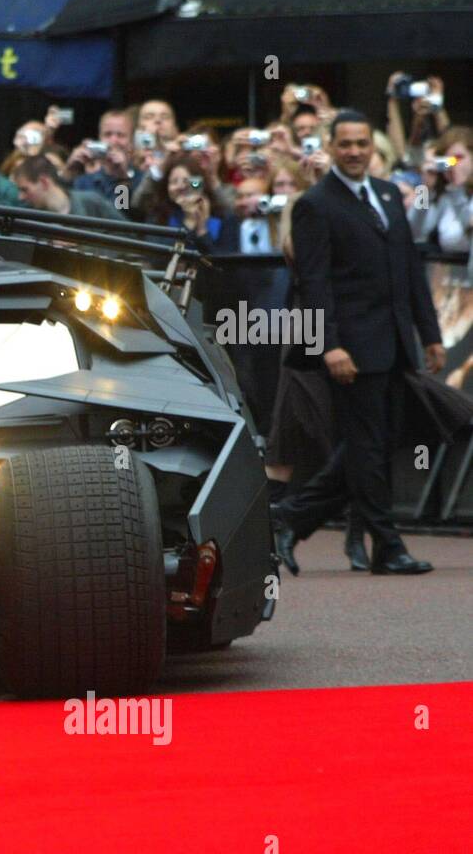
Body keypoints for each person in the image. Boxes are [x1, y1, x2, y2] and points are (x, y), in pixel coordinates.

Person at [272, 111, 446, 576]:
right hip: (350, 348)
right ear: (330, 148)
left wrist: (430, 334)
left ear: (372, 147)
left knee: (373, 444)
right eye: (344, 144)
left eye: (361, 143)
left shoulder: (389, 194)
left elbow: (409, 266)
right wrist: (329, 345)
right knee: (367, 447)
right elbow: (314, 283)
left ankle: (290, 517)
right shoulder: (316, 203)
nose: (353, 152)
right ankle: (388, 547)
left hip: (395, 342)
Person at [141, 153, 238, 253]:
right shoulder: (158, 216)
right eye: (174, 182)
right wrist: (188, 223)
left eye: (187, 181)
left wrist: (202, 231)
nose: (181, 187)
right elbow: (156, 258)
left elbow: (224, 264)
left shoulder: (224, 217)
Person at [12, 154, 120, 219]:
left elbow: (128, 237)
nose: (20, 197)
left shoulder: (91, 201)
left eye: (24, 190)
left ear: (44, 182)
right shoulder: (28, 215)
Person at [66, 109, 141, 202]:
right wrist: (68, 172)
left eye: (121, 135)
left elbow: (121, 212)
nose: (114, 141)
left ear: (132, 141)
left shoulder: (141, 180)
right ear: (100, 138)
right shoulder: (84, 182)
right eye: (107, 134)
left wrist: (122, 179)